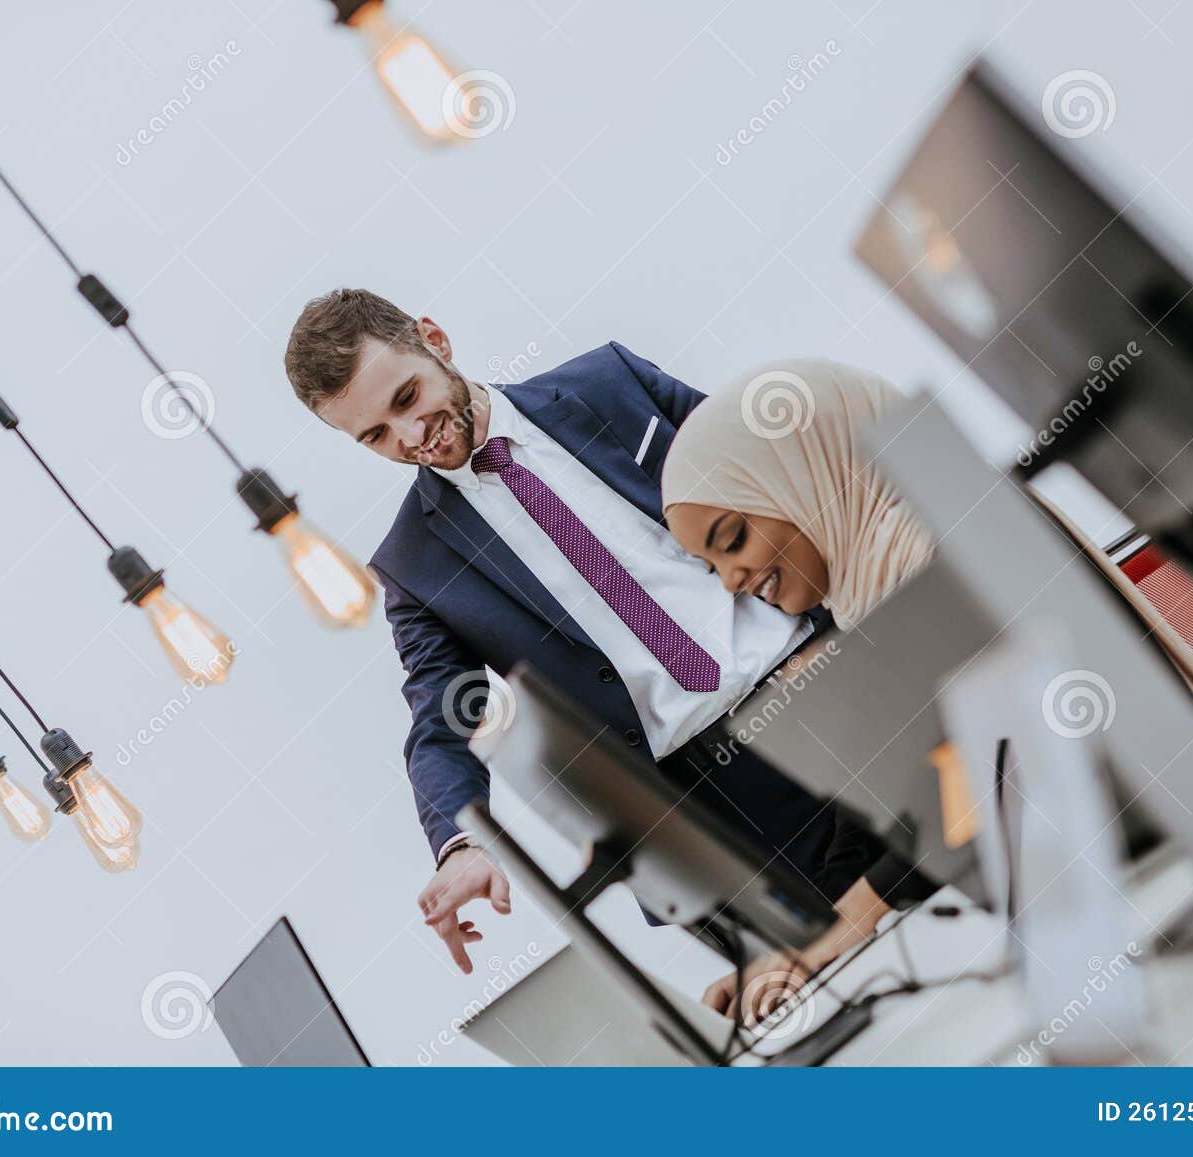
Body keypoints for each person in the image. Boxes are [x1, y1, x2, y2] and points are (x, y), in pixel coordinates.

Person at [282, 292, 930, 1014]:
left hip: (828, 691)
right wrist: (459, 844)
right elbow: (438, 721)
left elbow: (775, 468)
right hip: (716, 813)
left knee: (965, 887)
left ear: (435, 339)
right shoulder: (416, 564)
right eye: (375, 435)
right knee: (850, 1017)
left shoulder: (607, 382)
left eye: (408, 396)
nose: (412, 435)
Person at [661, 357, 943, 1016]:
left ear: (805, 479)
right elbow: (875, 821)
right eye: (711, 565)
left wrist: (840, 935)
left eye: (733, 539)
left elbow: (979, 785)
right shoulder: (861, 596)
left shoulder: (923, 555)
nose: (731, 580)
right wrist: (782, 948)